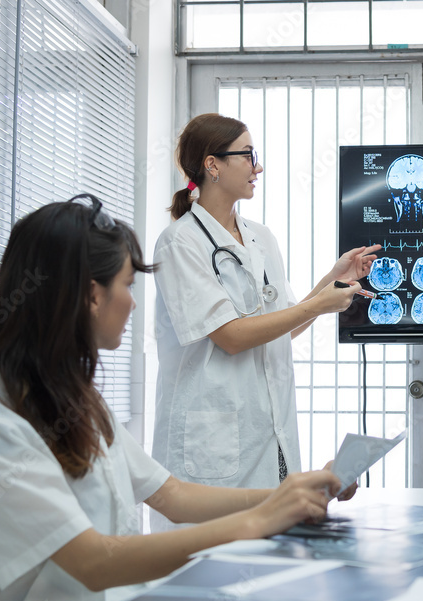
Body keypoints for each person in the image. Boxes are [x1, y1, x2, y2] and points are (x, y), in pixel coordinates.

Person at [0, 196, 353, 601]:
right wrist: (257, 522)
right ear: (91, 295)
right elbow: (94, 563)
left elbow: (172, 495)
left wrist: (292, 493)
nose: (132, 303)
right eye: (126, 285)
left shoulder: (69, 396)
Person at [154, 113, 379, 500]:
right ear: (213, 165)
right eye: (247, 154)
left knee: (272, 543)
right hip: (214, 436)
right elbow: (230, 337)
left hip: (268, 432)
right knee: (214, 554)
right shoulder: (180, 243)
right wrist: (318, 305)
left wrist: (332, 279)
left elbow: (282, 325)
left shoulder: (261, 237)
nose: (258, 166)